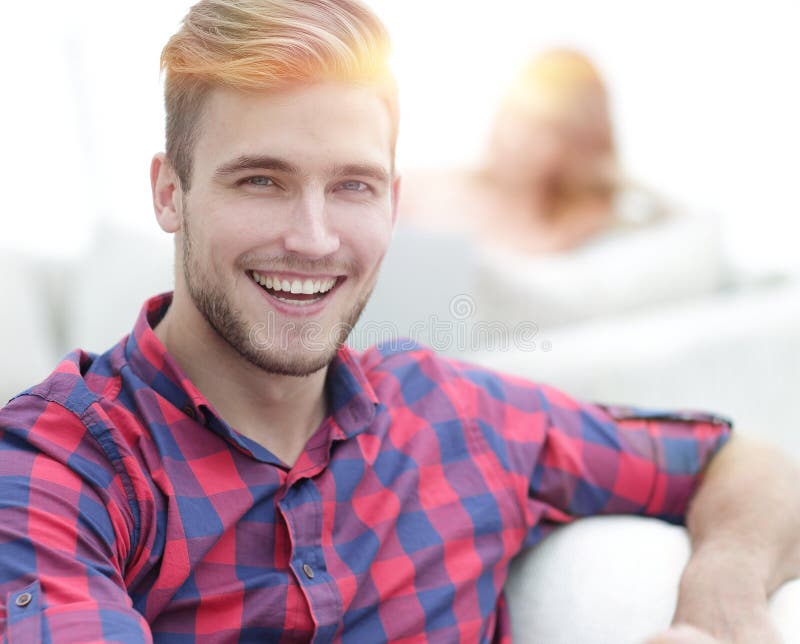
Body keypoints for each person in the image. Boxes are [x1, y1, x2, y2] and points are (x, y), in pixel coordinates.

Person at [0, 1, 797, 642]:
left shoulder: (456, 418)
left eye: (352, 186)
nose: (313, 239)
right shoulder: (59, 468)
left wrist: (719, 602)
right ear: (170, 192)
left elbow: (741, 462)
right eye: (261, 181)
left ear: (393, 201)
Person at [401, 49, 665, 255]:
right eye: (513, 113)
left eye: (542, 129)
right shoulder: (425, 188)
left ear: (575, 147)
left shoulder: (580, 226)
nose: (514, 138)